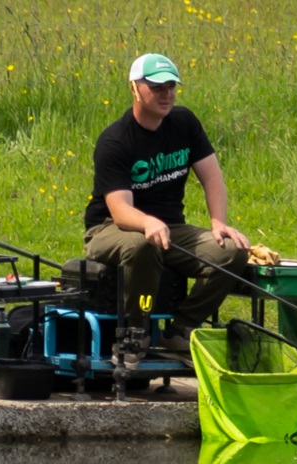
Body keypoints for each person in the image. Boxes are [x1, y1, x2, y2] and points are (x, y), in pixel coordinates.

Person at [83, 52, 251, 352]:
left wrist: (218, 223)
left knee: (233, 252)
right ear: (135, 89)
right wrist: (147, 222)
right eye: (157, 87)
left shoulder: (184, 122)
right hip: (109, 229)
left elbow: (212, 177)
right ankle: (136, 331)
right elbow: (120, 212)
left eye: (172, 86)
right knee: (142, 244)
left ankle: (180, 330)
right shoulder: (115, 141)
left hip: (170, 228)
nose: (167, 94)